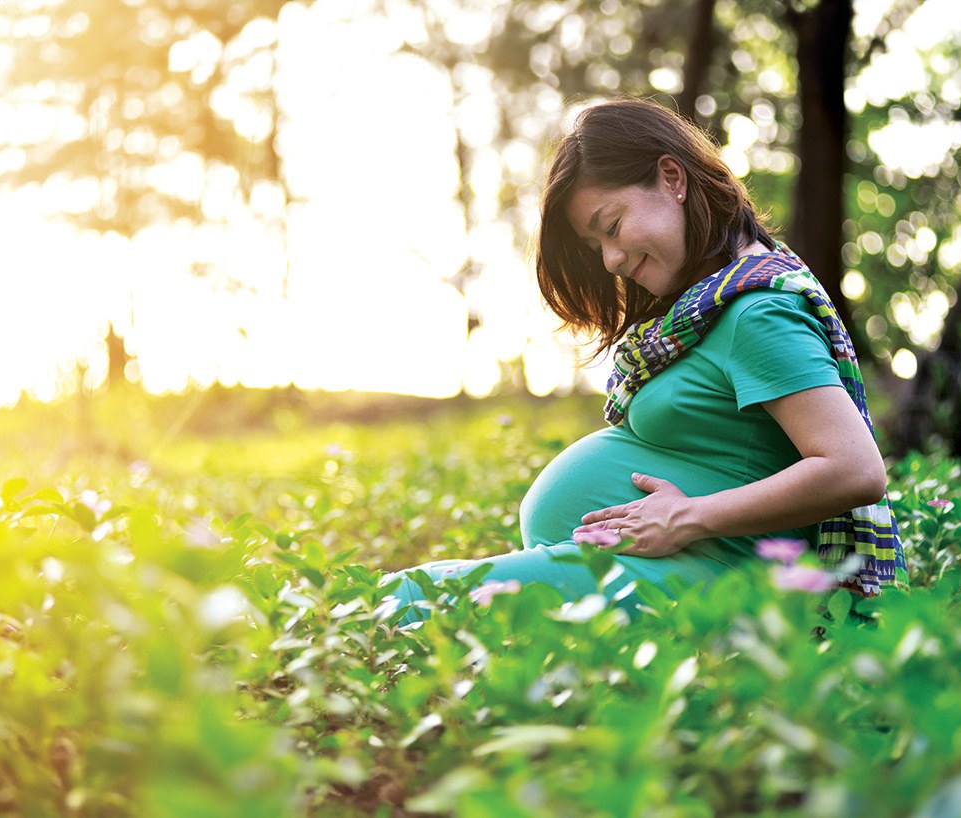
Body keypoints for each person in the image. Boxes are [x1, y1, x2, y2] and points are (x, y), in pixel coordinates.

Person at [384, 99, 908, 625]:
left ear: (671, 178)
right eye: (596, 246)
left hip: (719, 586)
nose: (610, 260)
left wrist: (687, 517)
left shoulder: (757, 312)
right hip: (678, 575)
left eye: (610, 226)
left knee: (409, 599)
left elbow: (855, 469)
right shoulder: (707, 308)